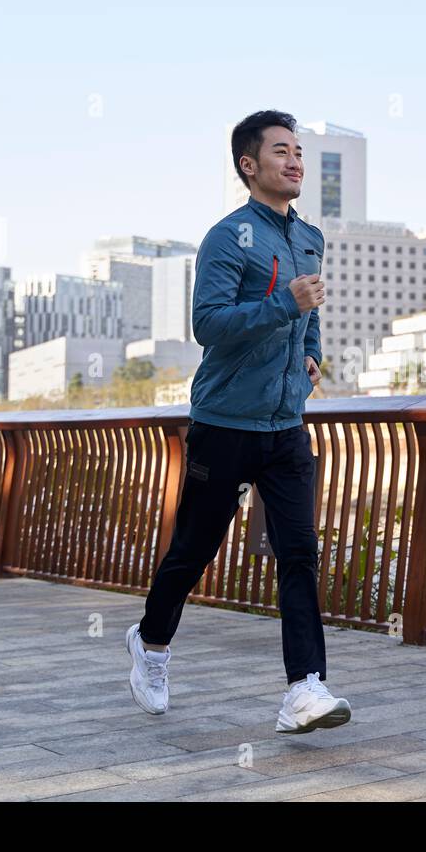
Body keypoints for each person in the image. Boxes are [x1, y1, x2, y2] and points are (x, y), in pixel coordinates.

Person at [126, 109, 350, 734]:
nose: (295, 160)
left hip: (285, 426)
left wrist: (312, 354)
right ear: (249, 165)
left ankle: (304, 690)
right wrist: (285, 303)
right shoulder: (227, 238)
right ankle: (150, 643)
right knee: (195, 548)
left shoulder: (309, 237)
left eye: (299, 150)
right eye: (282, 151)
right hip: (224, 424)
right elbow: (209, 324)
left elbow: (310, 317)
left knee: (299, 552)